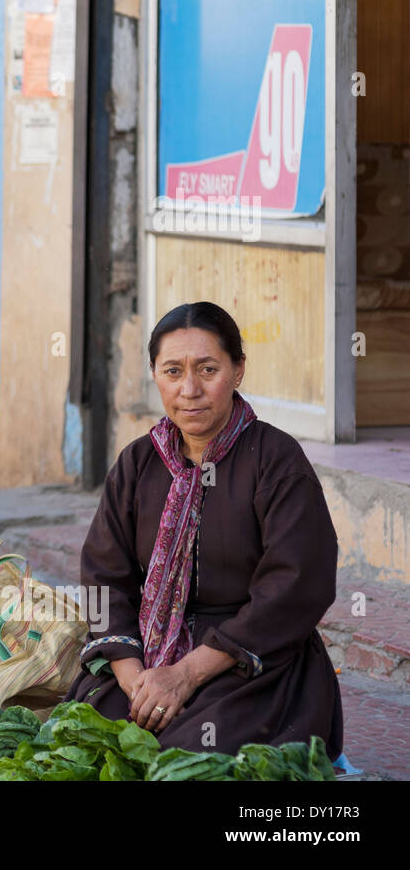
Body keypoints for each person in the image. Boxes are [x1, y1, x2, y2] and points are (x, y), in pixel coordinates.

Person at [66, 301, 342, 758]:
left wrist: (187, 675)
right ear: (154, 374)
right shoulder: (138, 462)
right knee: (88, 737)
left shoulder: (275, 460)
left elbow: (297, 585)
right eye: (172, 371)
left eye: (207, 369)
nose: (189, 389)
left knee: (187, 753)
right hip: (148, 656)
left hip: (251, 659)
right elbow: (103, 578)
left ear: (237, 371)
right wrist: (137, 681)